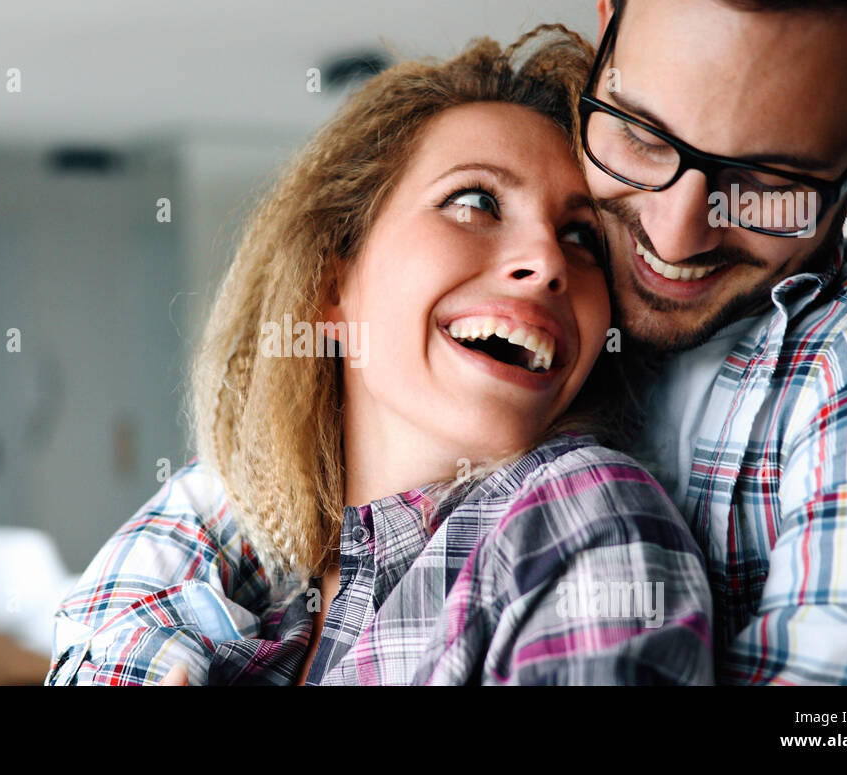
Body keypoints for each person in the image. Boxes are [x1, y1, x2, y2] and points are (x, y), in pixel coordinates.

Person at [45, 25, 713, 686]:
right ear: (332, 287)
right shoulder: (259, 555)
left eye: (582, 237)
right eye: (476, 201)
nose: (546, 263)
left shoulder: (581, 515)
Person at [583, 0, 847, 684]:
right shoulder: (521, 291)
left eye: (765, 183)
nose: (674, 235)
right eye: (642, 135)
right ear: (603, 26)